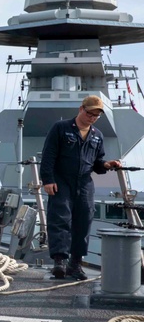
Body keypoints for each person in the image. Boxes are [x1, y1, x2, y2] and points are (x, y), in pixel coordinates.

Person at [40, 96, 120, 280]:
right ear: (81, 109)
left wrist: (107, 165)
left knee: (83, 222)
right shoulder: (60, 128)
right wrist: (48, 180)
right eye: (90, 113)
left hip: (84, 183)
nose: (92, 117)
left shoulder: (97, 136)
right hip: (61, 181)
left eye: (96, 116)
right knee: (60, 219)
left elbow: (97, 164)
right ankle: (59, 262)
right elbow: (48, 156)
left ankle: (75, 264)